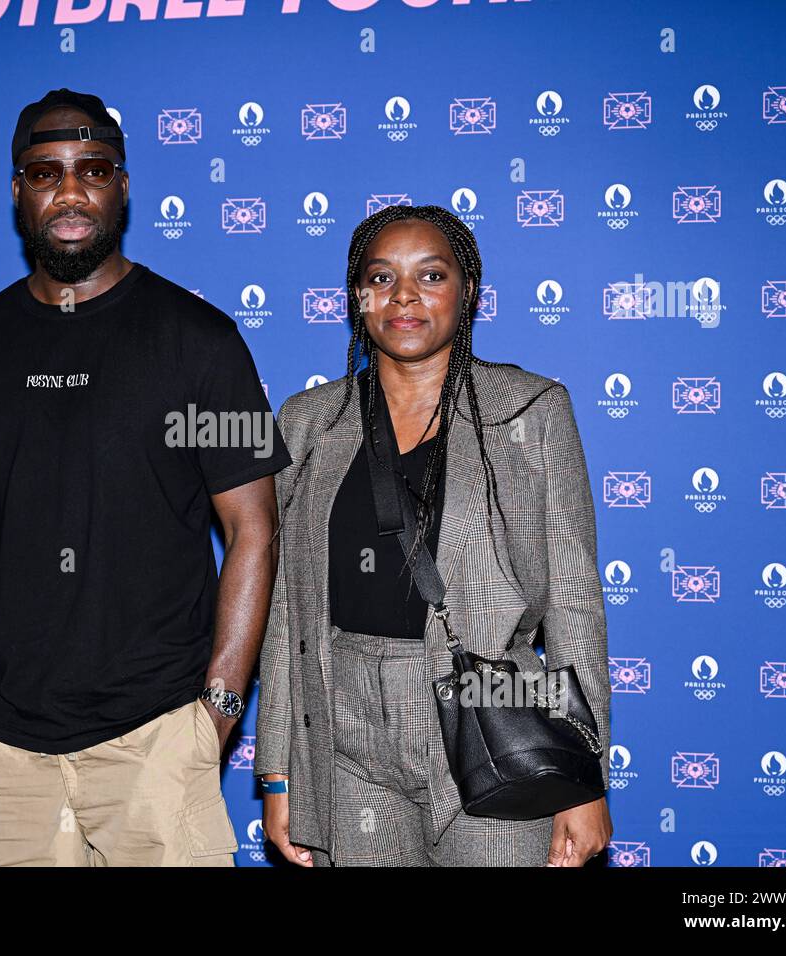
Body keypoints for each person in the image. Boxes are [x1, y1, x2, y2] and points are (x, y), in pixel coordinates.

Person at [0, 88, 291, 866]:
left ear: (123, 185)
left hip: (155, 737)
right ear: (17, 191)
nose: (70, 191)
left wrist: (214, 713)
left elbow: (255, 529)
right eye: (46, 173)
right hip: (8, 751)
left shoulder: (199, 341)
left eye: (94, 169)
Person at [254, 203, 613, 866]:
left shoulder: (532, 409)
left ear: (469, 292)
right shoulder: (306, 424)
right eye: (382, 278)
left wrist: (583, 777)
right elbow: (286, 610)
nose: (405, 297)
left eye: (432, 276)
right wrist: (279, 773)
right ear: (357, 297)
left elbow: (572, 602)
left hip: (494, 712)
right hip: (346, 733)